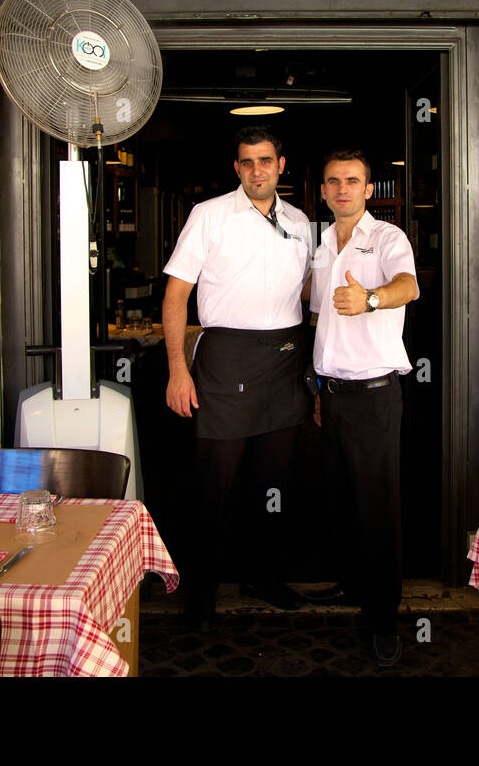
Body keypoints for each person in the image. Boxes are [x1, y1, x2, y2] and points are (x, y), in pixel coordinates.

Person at [162, 126, 315, 630]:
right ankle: (199, 593)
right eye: (247, 162)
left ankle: (264, 577)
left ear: (281, 165)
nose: (257, 170)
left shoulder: (300, 221)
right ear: (236, 169)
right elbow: (175, 297)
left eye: (265, 160)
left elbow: (309, 295)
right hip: (226, 360)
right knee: (215, 484)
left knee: (276, 483)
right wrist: (178, 370)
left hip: (286, 359)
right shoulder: (209, 216)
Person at [304, 149, 418, 668]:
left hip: (374, 395)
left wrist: (370, 299)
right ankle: (351, 585)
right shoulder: (322, 242)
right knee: (341, 500)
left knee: (378, 509)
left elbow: (408, 287)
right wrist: (316, 389)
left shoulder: (387, 238)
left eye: (353, 181)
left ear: (369, 189)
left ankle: (384, 618)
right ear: (323, 192)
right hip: (332, 393)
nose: (343, 189)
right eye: (333, 182)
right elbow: (317, 319)